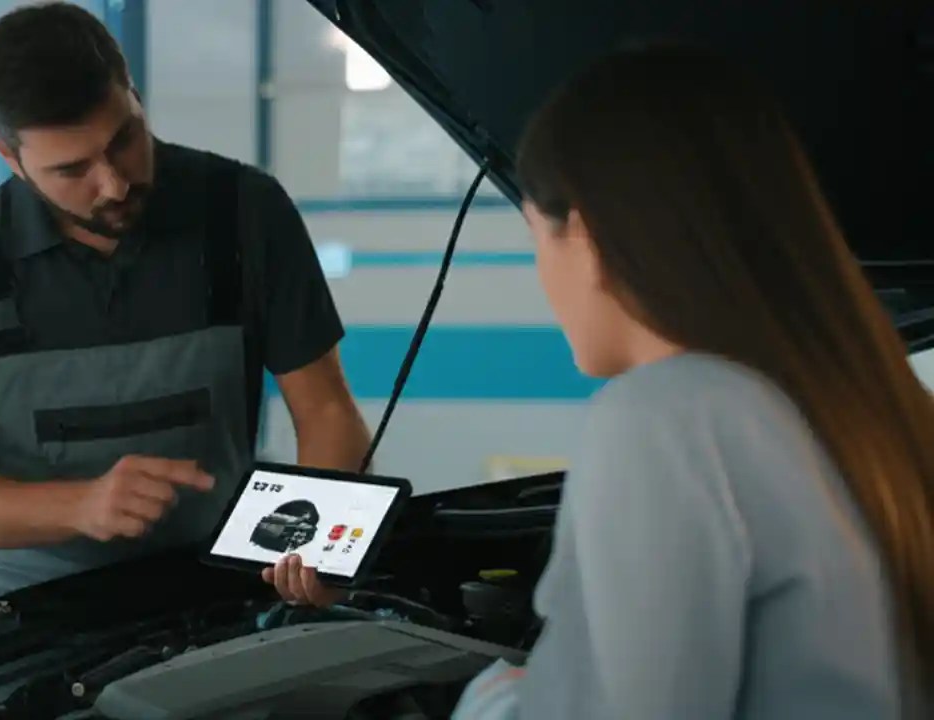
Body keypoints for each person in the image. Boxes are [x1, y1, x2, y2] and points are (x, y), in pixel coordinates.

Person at [272, 44, 934, 719]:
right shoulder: (858, 407)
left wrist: (496, 697)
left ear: (583, 237)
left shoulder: (671, 416)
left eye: (537, 236)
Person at [0, 2, 371, 604]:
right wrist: (80, 504)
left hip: (218, 592)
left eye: (124, 140)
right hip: (31, 611)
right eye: (73, 169)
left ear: (134, 96)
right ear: (10, 157)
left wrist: (317, 550)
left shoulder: (244, 212)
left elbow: (329, 413)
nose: (114, 183)